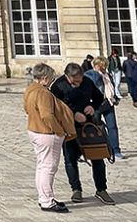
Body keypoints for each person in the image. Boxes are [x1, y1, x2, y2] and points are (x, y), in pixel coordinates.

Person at [50, 63, 115, 205]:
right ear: (67, 76)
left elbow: (99, 97)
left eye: (80, 81)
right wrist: (73, 114)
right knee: (70, 159)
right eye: (75, 82)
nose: (78, 84)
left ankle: (101, 189)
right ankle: (76, 189)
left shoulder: (87, 82)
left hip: (89, 126)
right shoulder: (58, 86)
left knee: (98, 157)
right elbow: (56, 108)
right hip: (68, 128)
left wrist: (92, 106)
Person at [23, 63, 75, 213]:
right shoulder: (43, 93)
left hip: (35, 130)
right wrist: (59, 130)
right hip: (46, 133)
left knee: (42, 166)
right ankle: (47, 200)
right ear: (45, 78)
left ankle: (44, 197)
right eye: (51, 78)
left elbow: (26, 109)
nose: (53, 80)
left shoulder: (30, 89)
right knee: (48, 167)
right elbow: (47, 115)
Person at [84, 57, 123, 160]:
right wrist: (97, 72)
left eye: (105, 65)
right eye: (102, 65)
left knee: (112, 127)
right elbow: (92, 86)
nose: (104, 68)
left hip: (108, 102)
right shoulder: (90, 74)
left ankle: (115, 150)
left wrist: (114, 97)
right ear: (96, 65)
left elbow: (111, 87)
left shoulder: (107, 75)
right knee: (95, 127)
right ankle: (94, 148)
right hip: (96, 104)